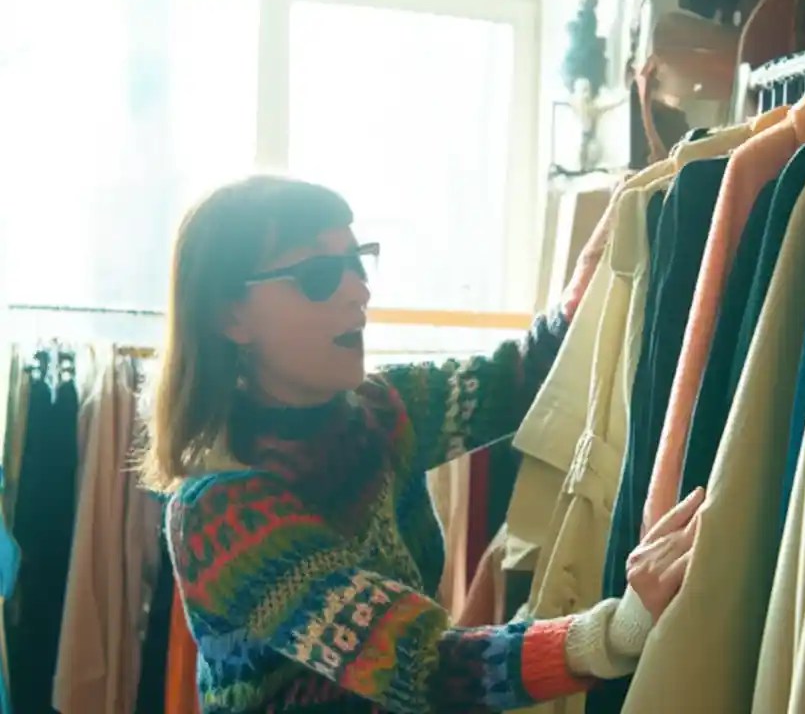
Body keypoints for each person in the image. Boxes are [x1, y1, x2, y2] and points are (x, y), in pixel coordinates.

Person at [145, 175, 704, 713]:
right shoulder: (220, 511)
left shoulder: (378, 412)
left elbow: (521, 377)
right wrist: (621, 629)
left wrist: (611, 249)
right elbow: (418, 665)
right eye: (319, 275)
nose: (358, 290)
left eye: (357, 261)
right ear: (230, 315)